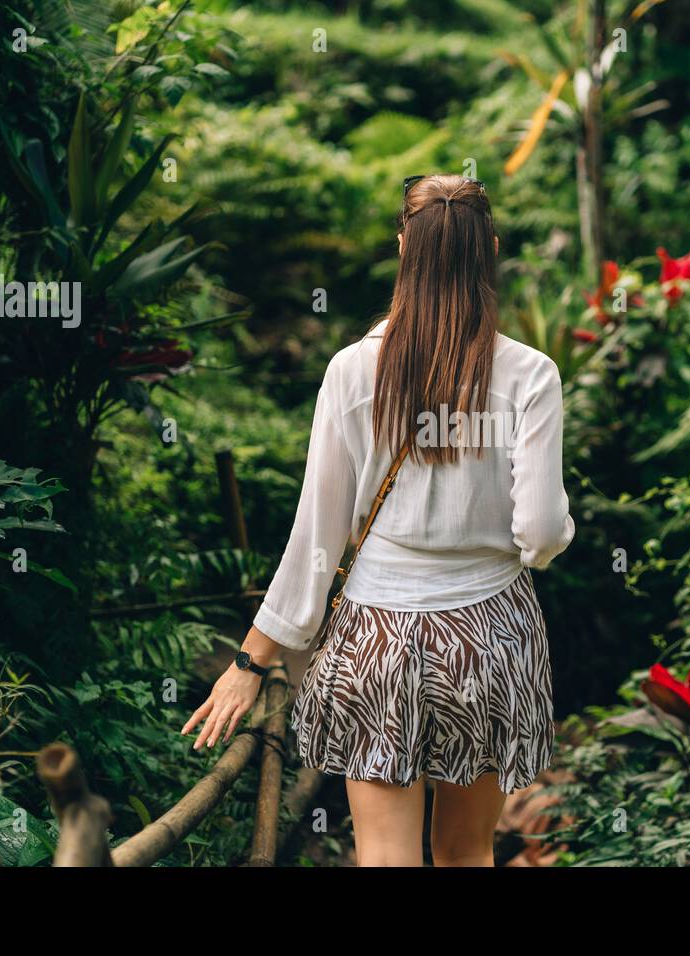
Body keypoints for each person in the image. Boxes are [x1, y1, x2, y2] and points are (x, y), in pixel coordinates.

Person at [182, 174, 574, 866]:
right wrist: (538, 546)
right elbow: (541, 534)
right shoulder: (531, 376)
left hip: (376, 640)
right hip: (488, 640)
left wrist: (251, 660)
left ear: (403, 248)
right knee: (466, 855)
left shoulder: (351, 372)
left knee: (385, 857)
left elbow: (316, 539)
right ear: (490, 250)